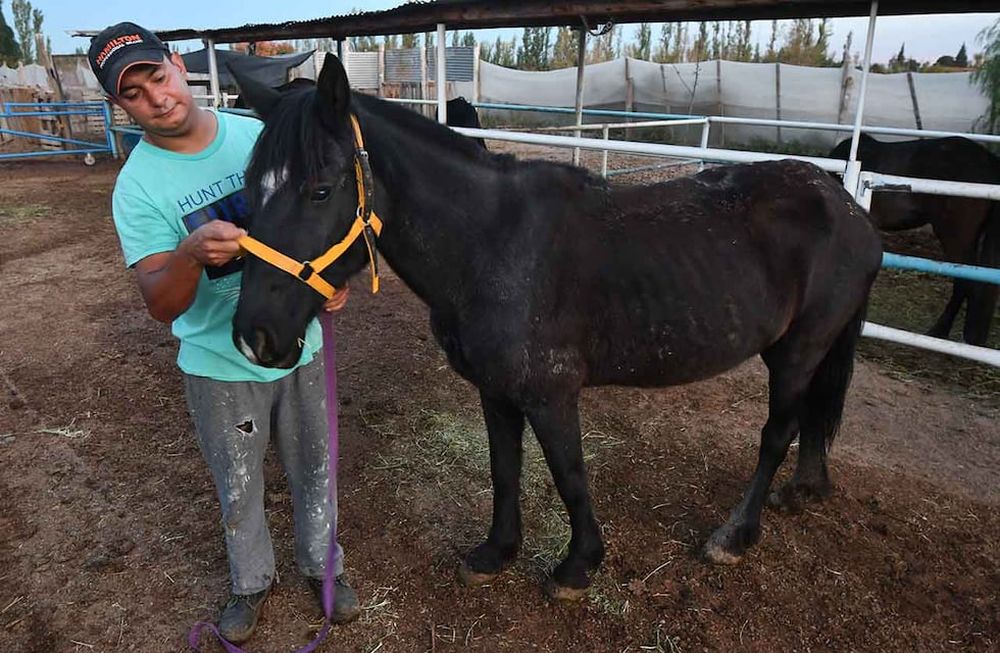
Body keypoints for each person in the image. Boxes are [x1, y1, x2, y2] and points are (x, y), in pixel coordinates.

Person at [87, 22, 360, 645]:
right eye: (133, 93)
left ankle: (324, 569)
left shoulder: (260, 137)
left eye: (156, 76)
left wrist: (330, 285)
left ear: (177, 65)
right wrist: (187, 255)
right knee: (238, 484)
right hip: (218, 365)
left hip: (301, 346)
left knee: (317, 470)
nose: (155, 98)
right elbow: (160, 304)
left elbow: (320, 219)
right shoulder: (137, 188)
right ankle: (250, 581)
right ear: (119, 105)